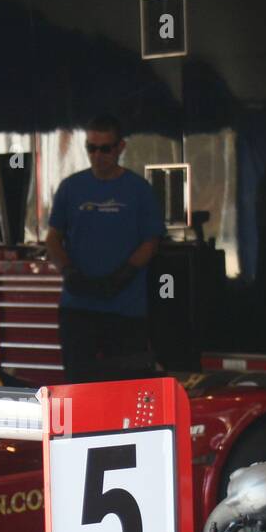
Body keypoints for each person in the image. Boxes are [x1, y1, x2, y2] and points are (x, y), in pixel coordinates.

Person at [45, 115, 166, 382]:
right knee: (77, 387)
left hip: (125, 309)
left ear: (120, 147)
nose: (97, 155)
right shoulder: (70, 188)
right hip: (78, 308)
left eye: (105, 148)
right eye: (91, 148)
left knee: (126, 388)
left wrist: (125, 272)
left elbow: (151, 241)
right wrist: (67, 271)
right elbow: (53, 238)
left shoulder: (139, 190)